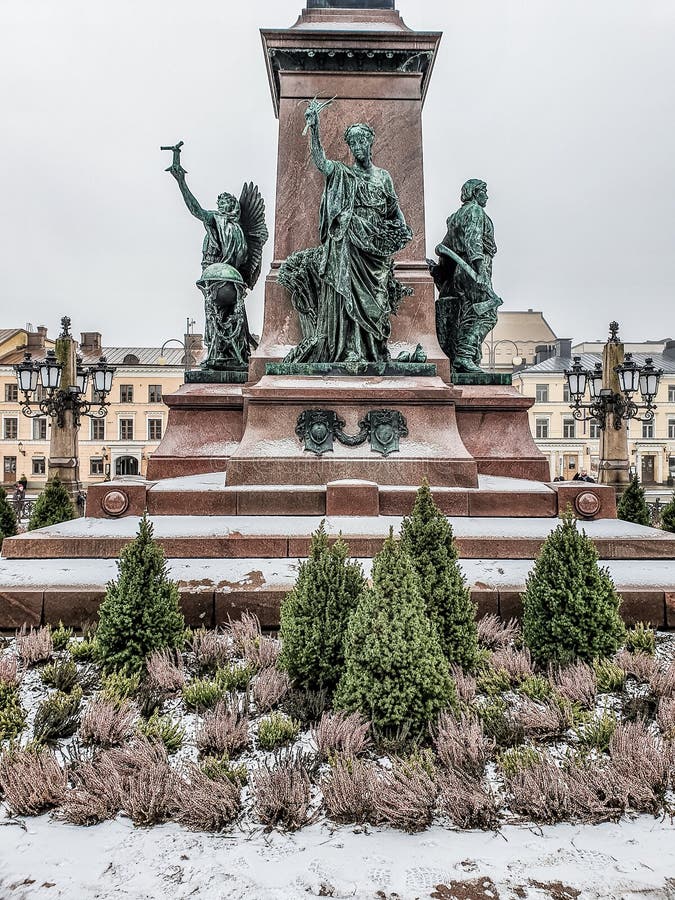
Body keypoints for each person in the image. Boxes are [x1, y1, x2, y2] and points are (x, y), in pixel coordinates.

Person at [281, 105, 412, 366]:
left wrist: (402, 230)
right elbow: (321, 163)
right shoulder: (343, 172)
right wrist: (315, 128)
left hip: (376, 245)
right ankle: (351, 348)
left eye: (362, 140)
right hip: (349, 241)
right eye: (353, 142)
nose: (358, 146)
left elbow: (394, 210)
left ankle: (372, 348)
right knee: (347, 296)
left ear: (370, 143)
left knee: (376, 298)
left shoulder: (383, 177)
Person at [429, 179, 503, 373]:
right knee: (486, 314)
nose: (487, 195)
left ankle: (462, 357)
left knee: (468, 312)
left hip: (460, 271)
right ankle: (464, 355)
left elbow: (445, 248)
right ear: (475, 193)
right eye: (484, 191)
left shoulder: (455, 216)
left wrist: (444, 277)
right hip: (473, 268)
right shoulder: (475, 211)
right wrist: (480, 271)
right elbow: (473, 241)